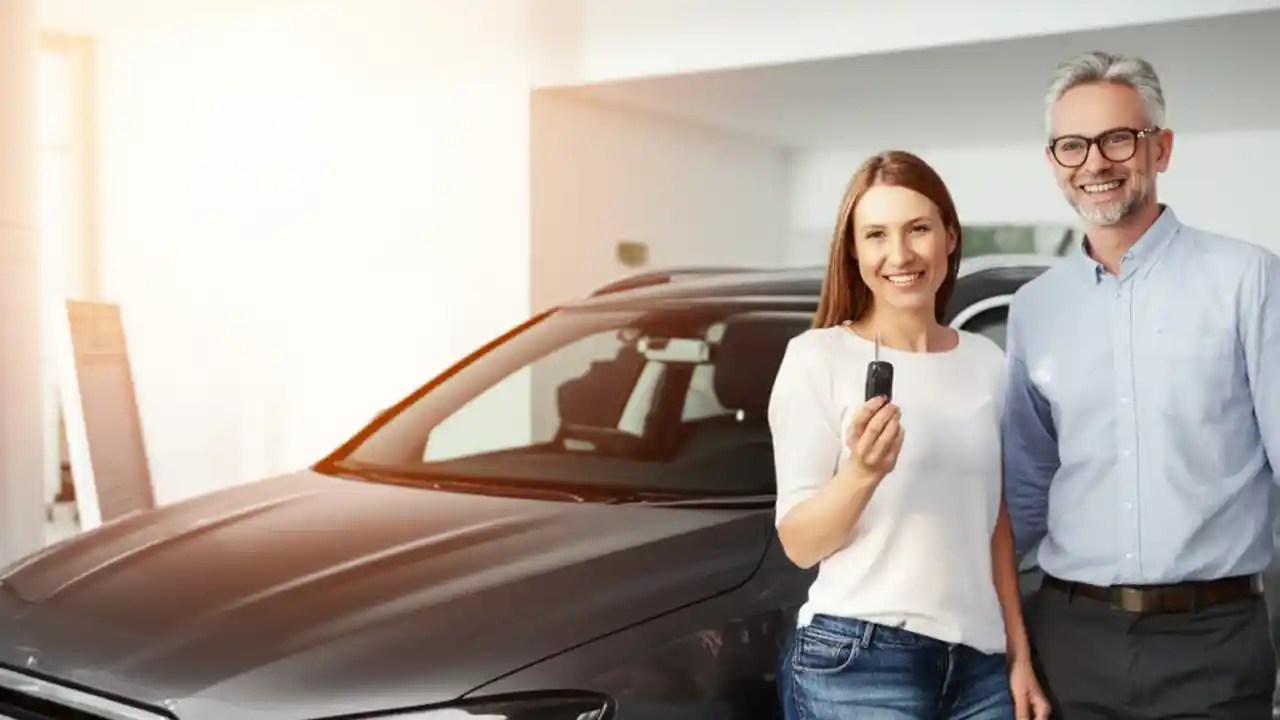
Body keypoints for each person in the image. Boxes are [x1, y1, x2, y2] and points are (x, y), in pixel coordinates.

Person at [1003, 50, 1280, 718]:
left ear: (1161, 148)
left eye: (1118, 138)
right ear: (1054, 163)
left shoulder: (1249, 281)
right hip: (1071, 638)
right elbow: (1025, 492)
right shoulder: (1035, 308)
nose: (1095, 163)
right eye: (1073, 145)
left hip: (1214, 640)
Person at [770, 150, 1051, 720]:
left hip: (980, 667)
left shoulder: (986, 362)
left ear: (949, 236)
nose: (899, 255)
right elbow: (800, 545)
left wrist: (1019, 656)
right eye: (876, 234)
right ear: (853, 250)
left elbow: (994, 523)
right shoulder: (815, 358)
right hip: (858, 662)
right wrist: (862, 474)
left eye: (918, 229)